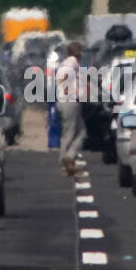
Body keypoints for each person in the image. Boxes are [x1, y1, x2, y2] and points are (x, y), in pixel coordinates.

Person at [54, 41, 84, 176]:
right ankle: (67, 158)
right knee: (76, 132)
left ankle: (67, 164)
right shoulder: (72, 62)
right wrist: (68, 90)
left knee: (71, 131)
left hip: (62, 101)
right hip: (69, 101)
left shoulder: (64, 62)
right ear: (78, 52)